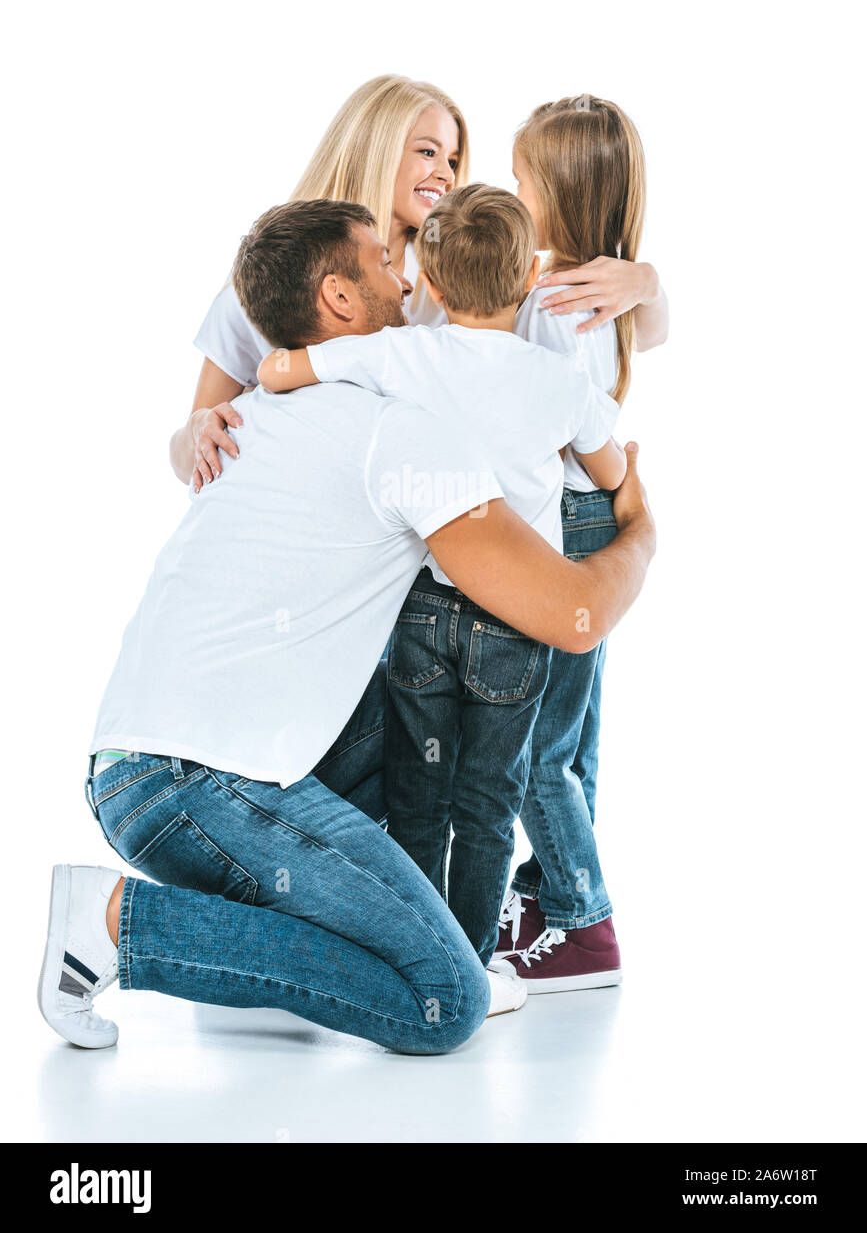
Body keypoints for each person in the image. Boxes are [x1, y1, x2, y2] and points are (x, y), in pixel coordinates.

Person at [38, 199, 656, 1056]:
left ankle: (247, 944)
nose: (403, 275)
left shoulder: (260, 410)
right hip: (201, 784)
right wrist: (641, 531)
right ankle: (118, 923)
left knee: (424, 705)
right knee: (445, 998)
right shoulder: (394, 432)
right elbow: (571, 616)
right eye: (379, 260)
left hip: (141, 768)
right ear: (337, 296)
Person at [257, 183, 626, 965]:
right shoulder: (556, 380)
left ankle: (414, 948)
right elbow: (607, 463)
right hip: (516, 623)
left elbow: (280, 368)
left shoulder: (400, 351)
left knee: (418, 793)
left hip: (424, 612)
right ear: (527, 278)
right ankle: (469, 958)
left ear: (428, 280)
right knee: (490, 799)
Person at [170, 74, 667, 491]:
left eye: (452, 160)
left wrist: (646, 283)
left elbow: (619, 338)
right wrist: (196, 433)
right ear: (376, 152)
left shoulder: (457, 269)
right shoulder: (267, 278)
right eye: (428, 152)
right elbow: (188, 450)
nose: (446, 174)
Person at [492, 95, 654, 991]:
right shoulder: (604, 279)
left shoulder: (554, 297)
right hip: (592, 512)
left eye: (521, 177)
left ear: (557, 189)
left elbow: (558, 423)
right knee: (574, 734)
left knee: (531, 747)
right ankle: (556, 895)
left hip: (561, 516)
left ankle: (583, 926)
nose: (510, 191)